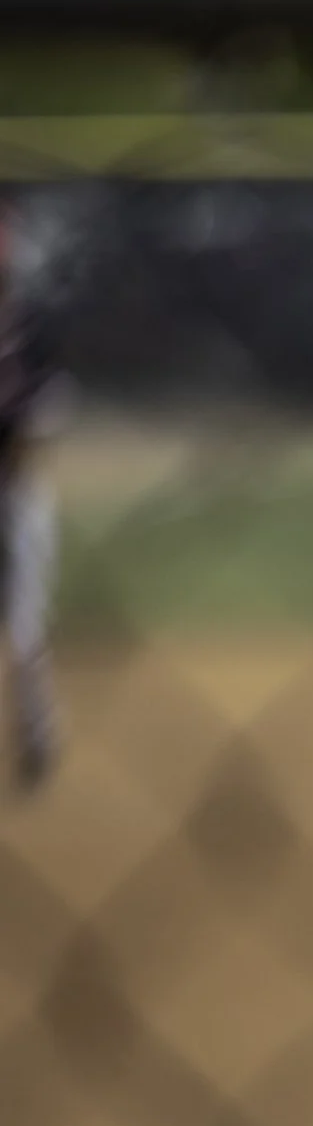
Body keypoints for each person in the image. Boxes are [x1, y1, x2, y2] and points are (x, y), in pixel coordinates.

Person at [0, 200, 65, 792]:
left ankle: (37, 735)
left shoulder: (33, 325)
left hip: (18, 496)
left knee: (25, 628)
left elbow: (43, 424)